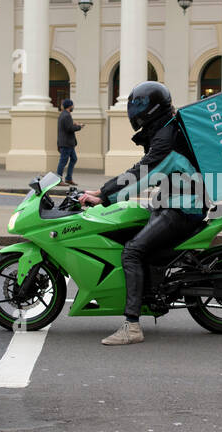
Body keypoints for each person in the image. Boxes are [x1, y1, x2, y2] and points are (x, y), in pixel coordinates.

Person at [80, 81, 206, 346]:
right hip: (173, 201)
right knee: (131, 229)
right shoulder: (166, 130)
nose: (135, 111)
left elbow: (144, 173)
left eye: (140, 106)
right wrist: (103, 190)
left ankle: (132, 327)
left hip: (182, 207)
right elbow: (142, 168)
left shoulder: (167, 137)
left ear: (152, 109)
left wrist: (104, 196)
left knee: (132, 251)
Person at [56, 98, 83, 185]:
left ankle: (68, 178)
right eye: (72, 105)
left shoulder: (63, 114)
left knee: (73, 159)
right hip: (67, 143)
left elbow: (66, 126)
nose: (73, 107)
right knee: (63, 161)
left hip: (67, 143)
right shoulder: (67, 115)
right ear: (69, 106)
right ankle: (58, 180)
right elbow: (69, 129)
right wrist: (80, 126)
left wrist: (74, 124)